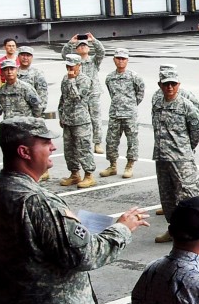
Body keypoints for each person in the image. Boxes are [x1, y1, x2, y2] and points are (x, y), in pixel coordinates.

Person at [0, 117, 148, 304]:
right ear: (24, 152)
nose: (52, 147)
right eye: (44, 142)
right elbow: (85, 255)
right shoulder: (38, 203)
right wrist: (123, 228)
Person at [151, 66, 199, 243]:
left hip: (181, 158)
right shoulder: (157, 103)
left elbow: (196, 130)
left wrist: (186, 148)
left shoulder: (186, 106)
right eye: (166, 84)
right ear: (160, 85)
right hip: (162, 157)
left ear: (178, 84)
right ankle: (173, 228)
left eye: (173, 84)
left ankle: (193, 231)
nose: (170, 87)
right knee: (167, 198)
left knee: (187, 195)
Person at [100, 48, 144, 180]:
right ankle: (112, 166)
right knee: (111, 141)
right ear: (114, 60)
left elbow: (140, 94)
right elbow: (112, 94)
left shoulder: (134, 77)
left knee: (132, 141)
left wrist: (130, 105)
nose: (120, 61)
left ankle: (129, 165)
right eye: (118, 58)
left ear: (127, 60)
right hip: (114, 114)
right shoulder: (110, 78)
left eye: (123, 59)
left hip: (130, 114)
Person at [60, 33, 105, 154]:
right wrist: (71, 41)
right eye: (80, 46)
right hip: (78, 94)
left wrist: (93, 40)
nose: (83, 47)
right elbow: (64, 54)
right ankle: (80, 140)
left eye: (85, 45)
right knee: (79, 118)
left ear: (89, 48)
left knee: (96, 118)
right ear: (76, 49)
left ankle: (97, 142)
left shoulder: (93, 61)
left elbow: (101, 52)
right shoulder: (75, 63)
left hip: (93, 93)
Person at [58, 55, 97, 189]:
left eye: (72, 65)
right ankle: (74, 174)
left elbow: (77, 97)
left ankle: (89, 175)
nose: (69, 68)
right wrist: (61, 115)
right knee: (69, 150)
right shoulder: (65, 78)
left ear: (79, 65)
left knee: (83, 148)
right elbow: (63, 98)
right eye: (67, 65)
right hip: (68, 120)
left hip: (80, 121)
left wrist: (71, 81)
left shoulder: (85, 80)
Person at [0, 59, 42, 123]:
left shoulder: (25, 88)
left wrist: (33, 122)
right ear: (2, 73)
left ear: (17, 70)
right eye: (6, 70)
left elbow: (37, 107)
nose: (9, 72)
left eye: (12, 69)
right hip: (9, 127)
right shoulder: (2, 90)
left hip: (25, 127)